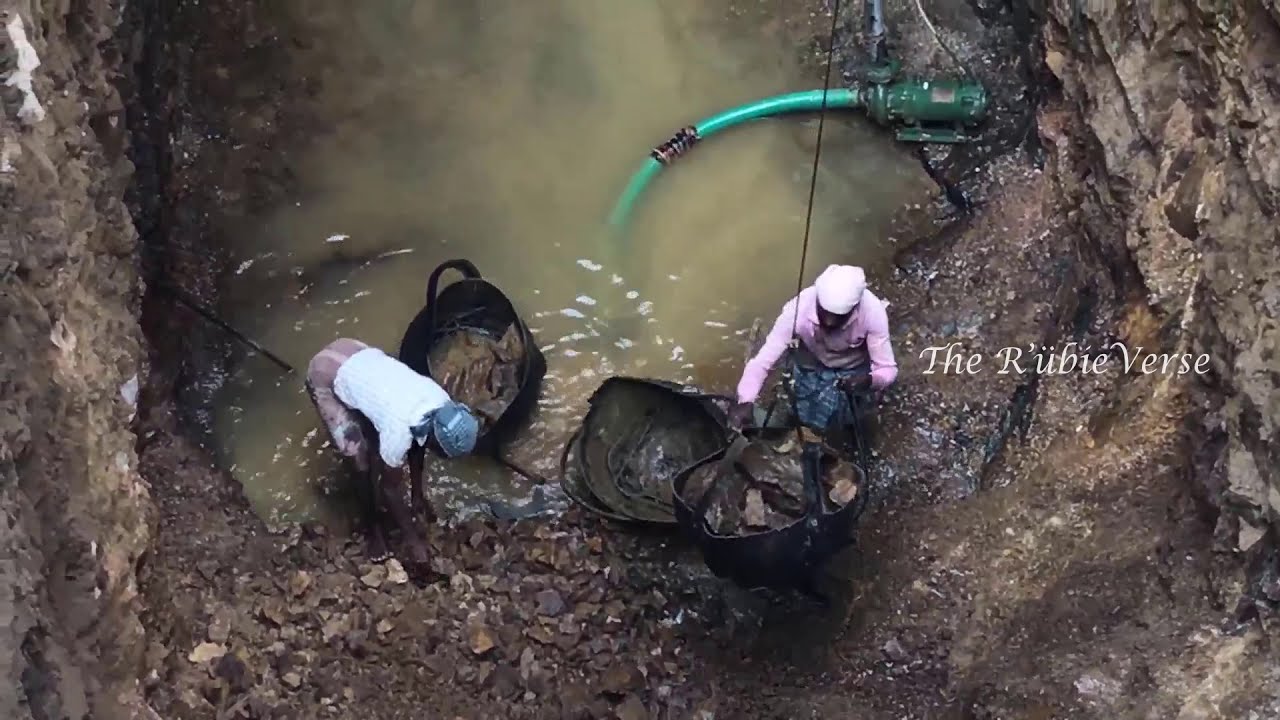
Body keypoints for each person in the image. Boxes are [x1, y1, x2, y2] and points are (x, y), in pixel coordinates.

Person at [305, 338, 479, 565]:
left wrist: (418, 495)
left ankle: (363, 417)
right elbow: (390, 489)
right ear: (436, 440)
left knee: (379, 439)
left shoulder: (441, 402)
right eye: (446, 453)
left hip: (355, 350)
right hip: (325, 371)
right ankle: (373, 530)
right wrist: (412, 540)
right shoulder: (399, 431)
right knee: (360, 460)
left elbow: (419, 446)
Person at [729, 264, 897, 433]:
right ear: (817, 301)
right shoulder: (798, 309)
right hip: (812, 360)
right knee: (804, 409)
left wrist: (870, 381)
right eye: (825, 313)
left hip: (851, 369)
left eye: (838, 317)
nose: (830, 322)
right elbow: (763, 361)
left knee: (842, 420)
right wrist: (746, 400)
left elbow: (887, 369)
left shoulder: (872, 313)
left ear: (854, 308)